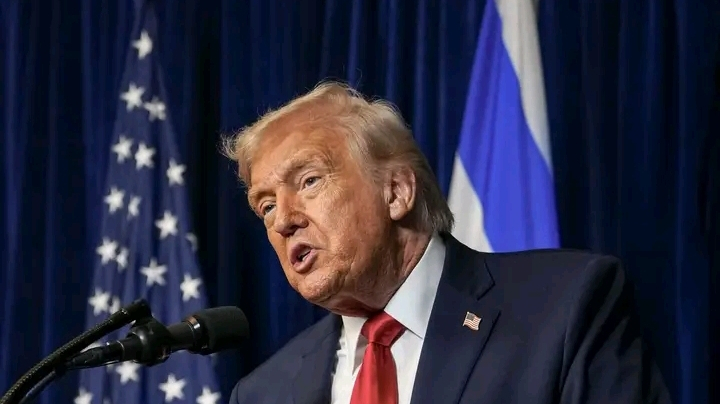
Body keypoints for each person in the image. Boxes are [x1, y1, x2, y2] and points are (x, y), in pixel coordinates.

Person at [222, 81, 672, 404]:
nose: (284, 221)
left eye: (310, 181)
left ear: (396, 192)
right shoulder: (264, 393)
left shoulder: (565, 308)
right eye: (266, 206)